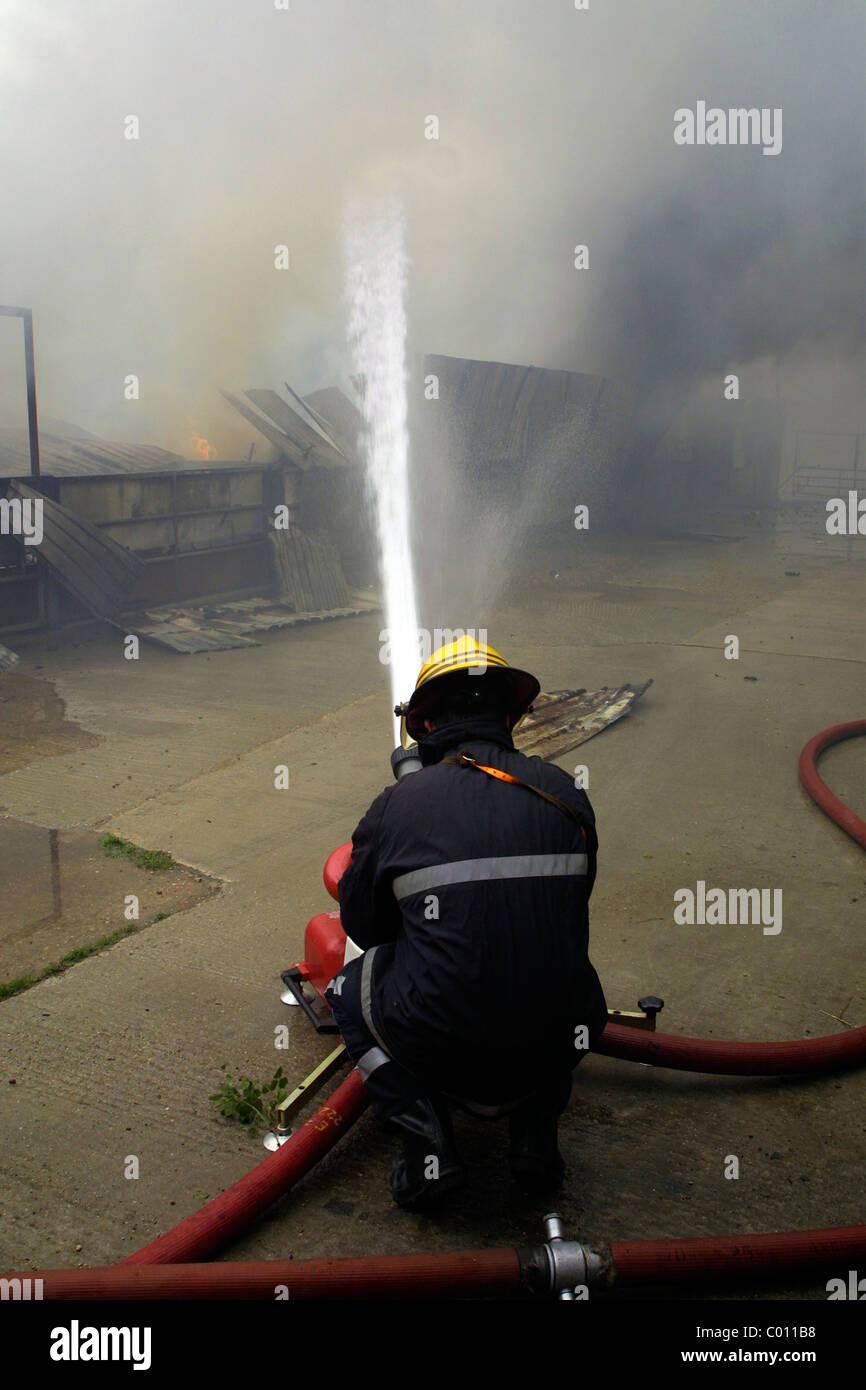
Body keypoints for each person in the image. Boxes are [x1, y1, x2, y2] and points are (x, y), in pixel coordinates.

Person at [326, 636, 607, 1209]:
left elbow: (365, 925)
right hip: (560, 1033)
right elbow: (572, 907)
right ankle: (534, 1141)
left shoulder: (396, 805)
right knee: (556, 970)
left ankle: (429, 1151)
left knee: (348, 988)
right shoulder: (566, 793)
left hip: (445, 1041)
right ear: (509, 717)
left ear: (424, 723)